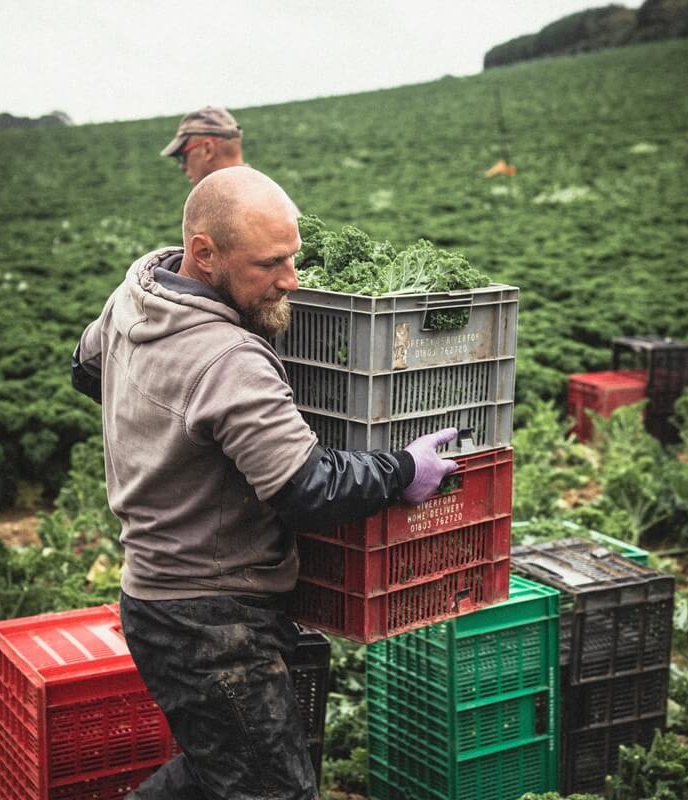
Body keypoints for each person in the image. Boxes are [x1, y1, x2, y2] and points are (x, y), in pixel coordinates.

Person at [71, 166, 458, 800]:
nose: (290, 280)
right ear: (204, 252)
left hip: (154, 602)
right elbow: (308, 489)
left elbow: (87, 369)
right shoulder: (228, 359)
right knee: (273, 790)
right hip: (212, 622)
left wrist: (176, 442)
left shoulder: (136, 294)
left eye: (292, 256)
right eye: (268, 264)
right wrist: (404, 469)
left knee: (219, 768)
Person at [161, 105, 245, 185]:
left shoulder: (218, 198)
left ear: (208, 149)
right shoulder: (254, 189)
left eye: (183, 157)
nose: (182, 166)